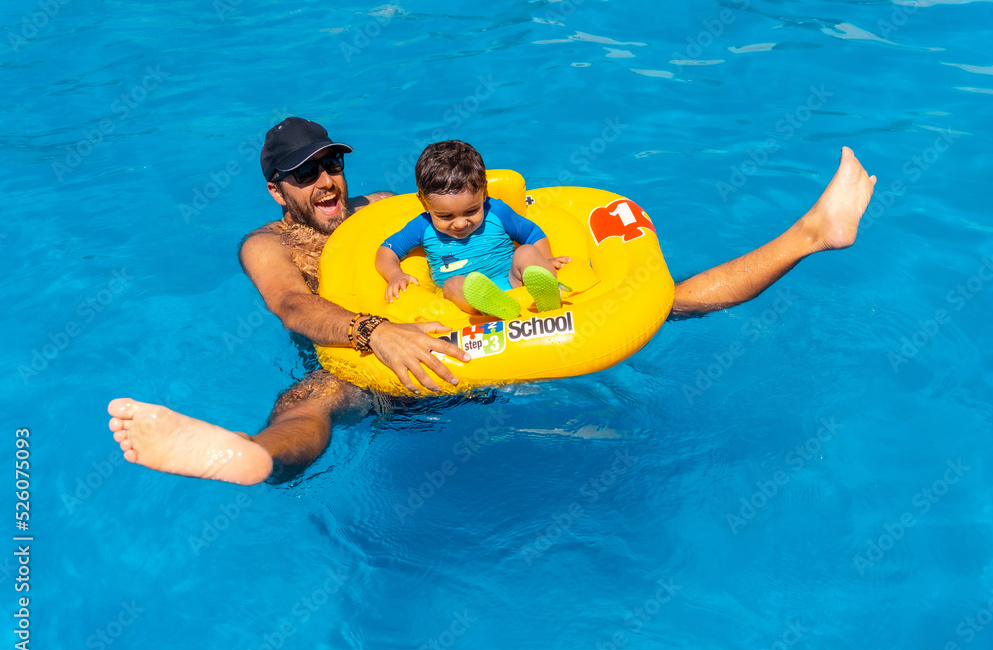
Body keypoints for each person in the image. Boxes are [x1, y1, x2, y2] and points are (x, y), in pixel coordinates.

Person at [107, 116, 876, 487]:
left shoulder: (386, 209)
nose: (328, 182)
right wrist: (377, 333)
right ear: (279, 191)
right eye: (307, 175)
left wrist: (535, 264)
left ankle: (813, 232)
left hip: (469, 339)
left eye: (332, 163)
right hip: (368, 366)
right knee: (308, 394)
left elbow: (472, 233)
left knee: (658, 301)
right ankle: (252, 460)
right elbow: (294, 311)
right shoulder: (269, 245)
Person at [376, 140, 570, 320]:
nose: (460, 224)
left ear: (484, 193)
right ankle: (491, 307)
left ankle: (548, 292)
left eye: (471, 211)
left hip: (512, 282)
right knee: (453, 284)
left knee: (527, 252)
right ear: (424, 203)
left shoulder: (496, 211)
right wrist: (395, 275)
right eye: (445, 216)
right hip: (468, 299)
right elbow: (386, 251)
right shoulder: (422, 226)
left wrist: (546, 259)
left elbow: (532, 234)